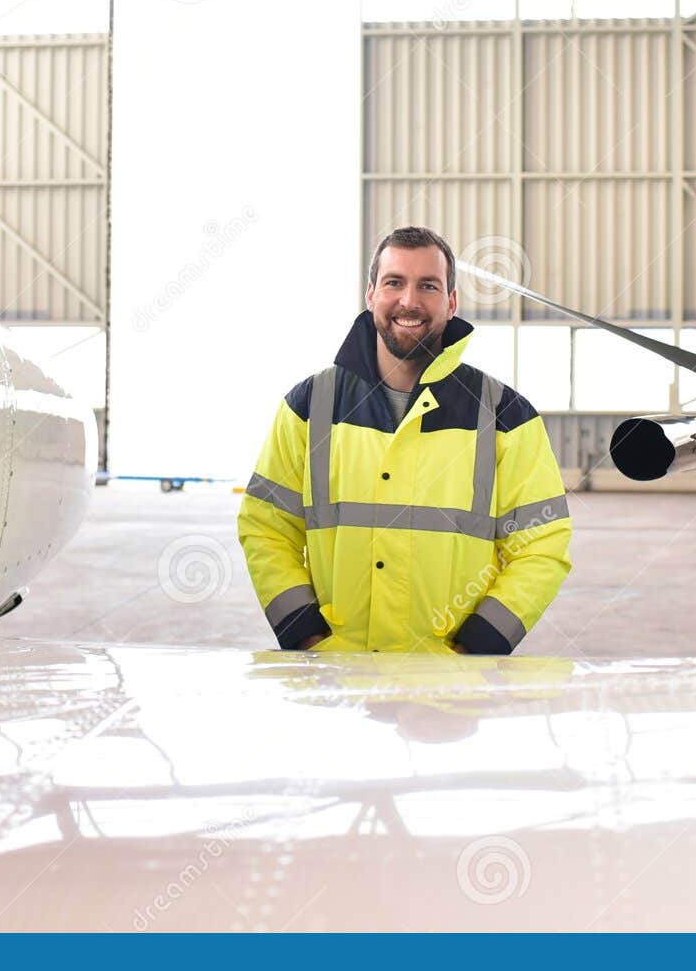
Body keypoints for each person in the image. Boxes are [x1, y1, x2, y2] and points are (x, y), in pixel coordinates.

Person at [237, 226, 572, 654]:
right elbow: (266, 528)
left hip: (448, 690)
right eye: (395, 282)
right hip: (336, 682)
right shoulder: (309, 405)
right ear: (371, 294)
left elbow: (542, 544)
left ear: (451, 302)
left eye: (427, 286)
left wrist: (477, 649)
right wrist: (307, 638)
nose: (409, 301)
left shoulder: (506, 415)